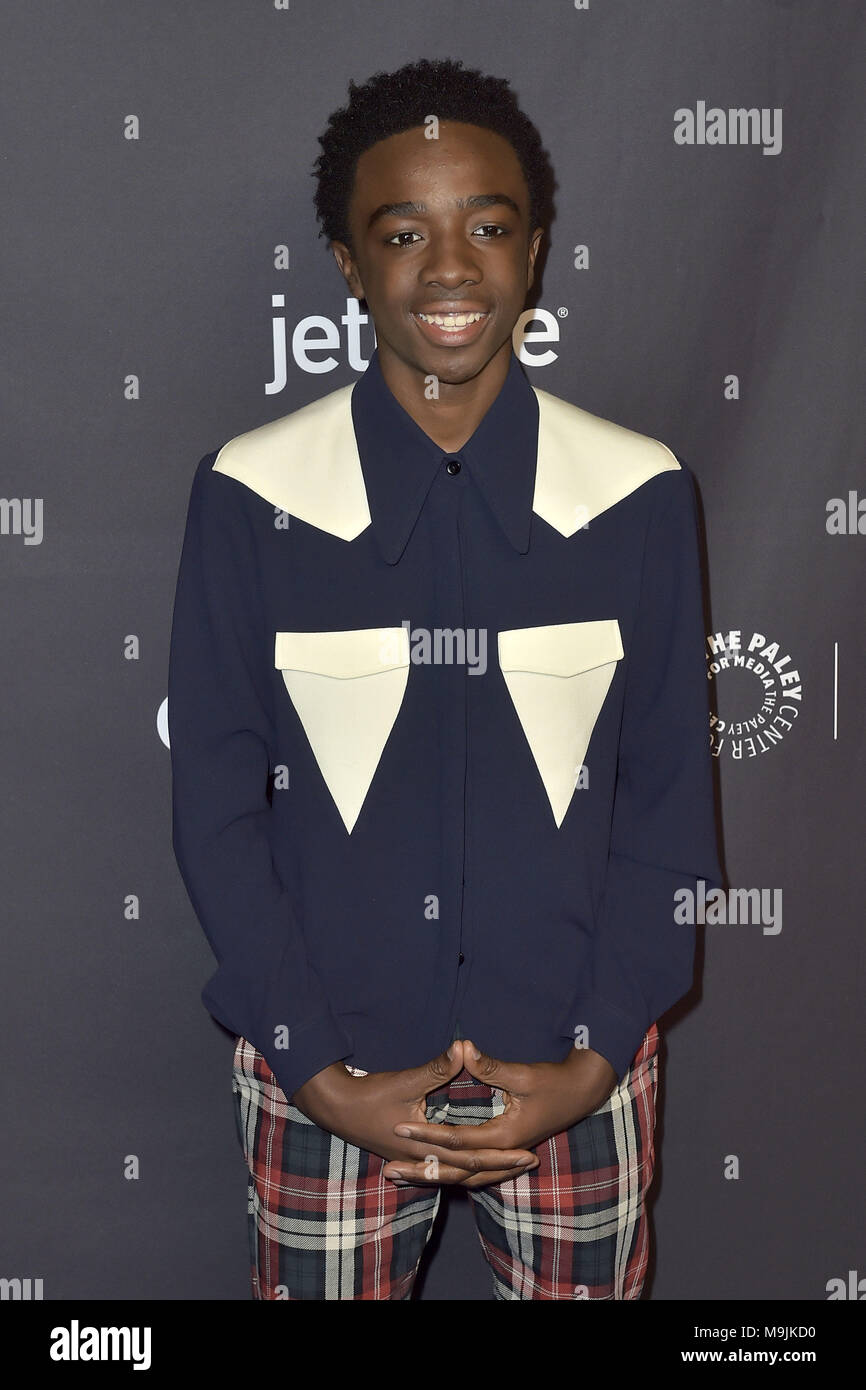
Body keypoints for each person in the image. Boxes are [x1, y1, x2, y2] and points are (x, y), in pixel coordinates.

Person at [168, 56, 722, 1301]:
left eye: (487, 225)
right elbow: (213, 809)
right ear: (347, 265)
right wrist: (317, 1073)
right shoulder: (248, 493)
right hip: (328, 1081)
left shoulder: (637, 491)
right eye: (402, 232)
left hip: (576, 1079)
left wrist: (589, 1062)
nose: (451, 266)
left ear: (533, 253)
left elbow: (665, 804)